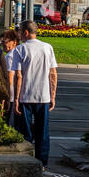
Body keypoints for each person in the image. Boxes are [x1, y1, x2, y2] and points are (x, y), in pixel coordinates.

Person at [14, 20, 58, 166]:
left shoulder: (20, 49)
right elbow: (53, 74)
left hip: (26, 96)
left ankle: (26, 160)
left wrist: (16, 99)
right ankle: (42, 162)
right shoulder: (47, 47)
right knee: (42, 132)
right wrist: (52, 95)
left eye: (20, 31)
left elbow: (18, 76)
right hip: (43, 96)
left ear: (25, 32)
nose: (19, 34)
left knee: (25, 132)